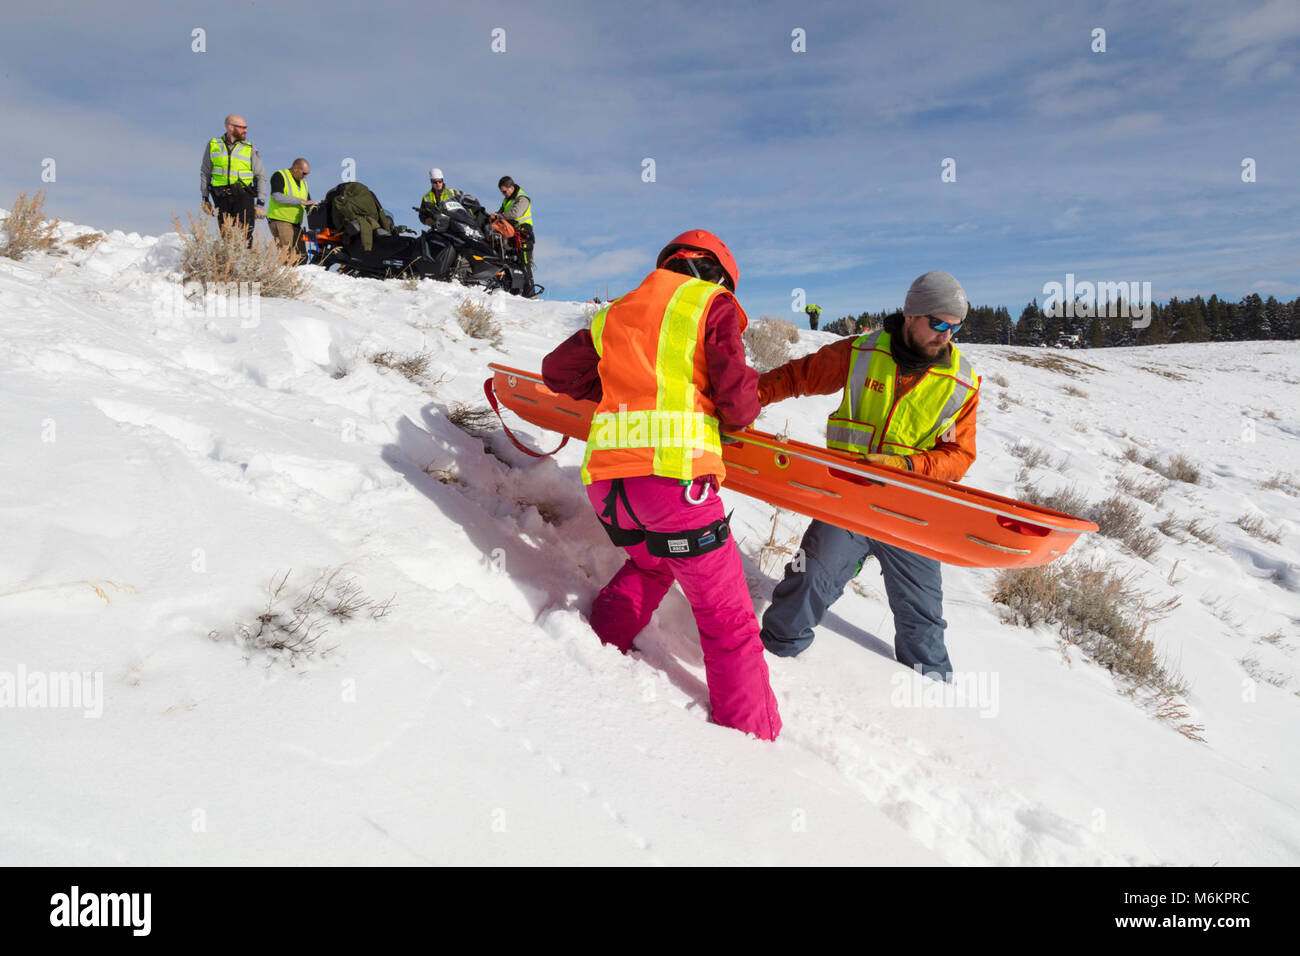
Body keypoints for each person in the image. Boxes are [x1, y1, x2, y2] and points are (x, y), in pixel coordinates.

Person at [541, 230, 782, 741]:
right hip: (674, 487)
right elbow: (738, 407)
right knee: (727, 620)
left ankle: (590, 653)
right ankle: (754, 743)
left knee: (651, 564)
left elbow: (556, 372)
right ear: (718, 275)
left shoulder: (617, 312)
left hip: (610, 491)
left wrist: (611, 387)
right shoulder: (709, 304)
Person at [757, 270, 981, 681]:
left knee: (924, 618)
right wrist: (749, 398)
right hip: (848, 501)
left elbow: (959, 455)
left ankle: (933, 693)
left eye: (955, 326)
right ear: (911, 315)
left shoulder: (960, 382)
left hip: (911, 512)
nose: (946, 334)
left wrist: (909, 466)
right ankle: (773, 659)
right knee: (807, 582)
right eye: (938, 323)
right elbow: (796, 377)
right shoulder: (862, 352)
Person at [199, 114, 267, 247]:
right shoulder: (213, 145)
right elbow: (205, 172)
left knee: (245, 235)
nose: (245, 130)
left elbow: (261, 176)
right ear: (230, 127)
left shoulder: (249, 148)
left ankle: (245, 265)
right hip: (221, 197)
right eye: (242, 127)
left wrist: (260, 202)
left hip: (243, 196)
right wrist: (205, 198)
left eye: (246, 128)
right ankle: (230, 266)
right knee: (226, 236)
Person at [266, 158, 316, 261]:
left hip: (296, 224)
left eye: (307, 174)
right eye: (304, 173)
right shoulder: (280, 175)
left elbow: (308, 202)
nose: (305, 176)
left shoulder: (304, 183)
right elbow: (277, 196)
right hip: (281, 221)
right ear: (295, 168)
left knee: (301, 257)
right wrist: (301, 201)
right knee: (288, 257)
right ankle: (282, 276)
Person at [491, 175, 534, 264]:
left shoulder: (522, 198)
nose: (503, 194)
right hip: (510, 231)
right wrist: (493, 216)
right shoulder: (506, 200)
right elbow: (500, 212)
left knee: (523, 261)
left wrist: (498, 216)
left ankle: (527, 277)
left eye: (504, 191)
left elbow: (515, 213)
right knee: (509, 258)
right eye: (502, 192)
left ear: (511, 188)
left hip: (523, 231)